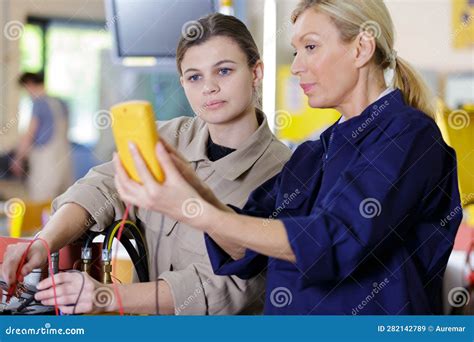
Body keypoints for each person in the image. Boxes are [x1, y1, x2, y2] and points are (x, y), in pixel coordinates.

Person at [109, 0, 462, 315]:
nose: (296, 67)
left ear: (361, 48)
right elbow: (243, 249)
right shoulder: (312, 155)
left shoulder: (411, 137)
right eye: (296, 51)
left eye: (311, 47)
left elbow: (335, 241)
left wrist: (191, 208)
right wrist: (191, 187)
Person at [2, 13, 291, 315]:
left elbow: (231, 287)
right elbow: (102, 187)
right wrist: (42, 243)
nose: (209, 87)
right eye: (195, 77)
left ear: (256, 72)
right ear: (182, 82)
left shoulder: (286, 173)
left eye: (224, 71)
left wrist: (107, 295)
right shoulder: (164, 138)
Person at [12, 72, 72, 201]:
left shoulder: (38, 104)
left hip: (45, 158)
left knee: (41, 197)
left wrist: (18, 158)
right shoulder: (60, 102)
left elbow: (30, 133)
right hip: (64, 156)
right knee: (61, 199)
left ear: (30, 84)